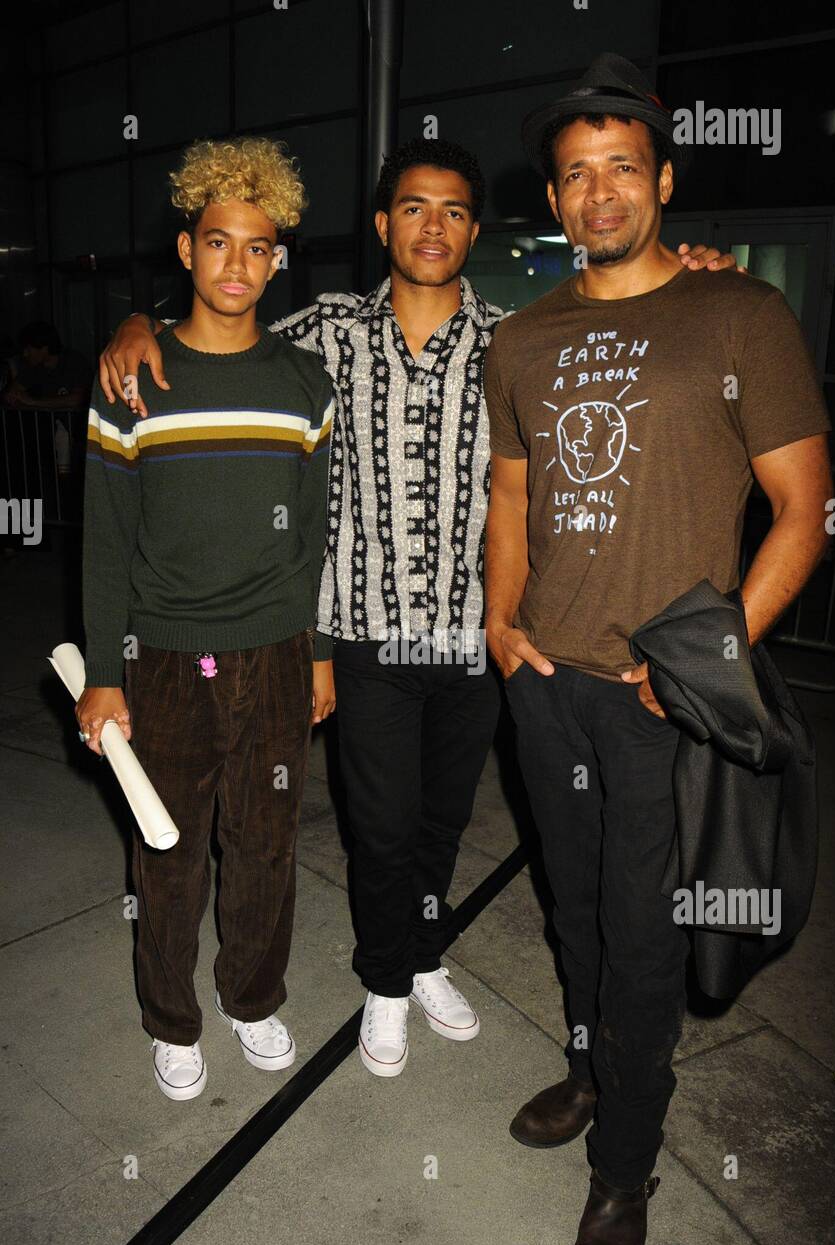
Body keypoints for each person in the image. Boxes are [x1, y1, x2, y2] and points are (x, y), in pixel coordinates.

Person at [98, 138, 736, 1082]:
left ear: (473, 229)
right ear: (382, 223)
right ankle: (383, 984)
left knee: (442, 825)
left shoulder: (520, 340)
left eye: (450, 211)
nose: (430, 226)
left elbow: (631, 327)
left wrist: (696, 274)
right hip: (360, 632)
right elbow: (221, 320)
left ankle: (423, 954)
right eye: (410, 207)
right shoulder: (323, 334)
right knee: (381, 825)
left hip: (479, 634)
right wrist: (134, 323)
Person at [483, 52, 832, 1245]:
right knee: (570, 913)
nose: (598, 192)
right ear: (556, 196)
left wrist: (710, 655)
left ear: (664, 180)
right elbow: (512, 491)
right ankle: (591, 1070)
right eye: (575, 174)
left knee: (640, 936)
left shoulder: (737, 314)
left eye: (621, 167)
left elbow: (803, 509)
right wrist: (496, 616)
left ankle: (626, 1163)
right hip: (545, 686)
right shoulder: (522, 337)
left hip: (657, 697)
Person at [77, 137, 335, 1100]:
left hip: (273, 653)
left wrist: (316, 654)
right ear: (185, 249)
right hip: (165, 658)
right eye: (218, 241)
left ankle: (252, 998)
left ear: (278, 259)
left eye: (258, 246)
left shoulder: (306, 386)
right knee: (167, 849)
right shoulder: (129, 381)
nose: (238, 263)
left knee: (266, 841)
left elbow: (309, 536)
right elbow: (103, 543)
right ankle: (171, 1020)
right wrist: (107, 670)